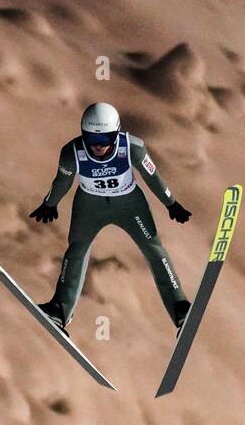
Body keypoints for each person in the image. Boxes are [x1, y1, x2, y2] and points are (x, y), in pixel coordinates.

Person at [31, 102, 192, 335]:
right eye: (91, 140)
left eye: (105, 140)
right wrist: (50, 203)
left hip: (129, 204)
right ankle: (60, 310)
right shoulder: (71, 152)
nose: (97, 147)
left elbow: (152, 176)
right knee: (76, 250)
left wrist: (171, 203)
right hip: (90, 205)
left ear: (116, 135)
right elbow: (62, 181)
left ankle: (179, 307)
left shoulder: (133, 148)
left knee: (153, 248)